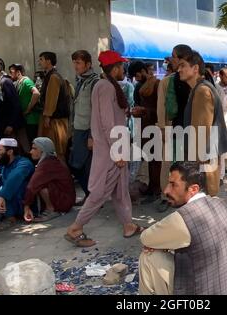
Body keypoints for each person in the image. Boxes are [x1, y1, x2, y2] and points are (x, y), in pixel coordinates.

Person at [65, 51, 144, 247]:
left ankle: (128, 225)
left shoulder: (108, 86)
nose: (123, 69)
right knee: (99, 193)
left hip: (115, 148)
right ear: (115, 67)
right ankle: (76, 228)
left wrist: (128, 112)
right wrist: (117, 152)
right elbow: (107, 123)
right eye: (121, 66)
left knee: (121, 191)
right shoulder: (105, 87)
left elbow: (112, 117)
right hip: (112, 151)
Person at [138, 162, 227, 295]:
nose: (166, 190)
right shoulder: (220, 203)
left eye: (173, 185)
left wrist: (160, 244)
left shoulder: (182, 219)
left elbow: (145, 238)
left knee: (149, 256)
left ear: (193, 189)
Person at [178, 50, 227, 196]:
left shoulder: (202, 91)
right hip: (205, 157)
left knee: (206, 199)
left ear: (195, 68)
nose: (179, 69)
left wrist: (193, 166)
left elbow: (201, 132)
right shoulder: (199, 88)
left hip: (203, 159)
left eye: (183, 65)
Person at [156, 45, 192, 212]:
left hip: (191, 130)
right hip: (172, 128)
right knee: (169, 164)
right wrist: (163, 128)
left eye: (174, 56)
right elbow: (161, 108)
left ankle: (186, 195)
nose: (171, 59)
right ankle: (167, 196)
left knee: (188, 163)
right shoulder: (167, 82)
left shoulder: (194, 81)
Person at [128, 61, 162, 203]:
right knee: (149, 159)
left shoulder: (157, 84)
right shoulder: (139, 86)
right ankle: (151, 187)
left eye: (137, 75)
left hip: (155, 125)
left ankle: (156, 189)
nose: (136, 78)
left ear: (143, 70)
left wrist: (145, 111)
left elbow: (160, 109)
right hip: (144, 126)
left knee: (156, 160)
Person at [68, 50, 99, 198]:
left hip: (88, 130)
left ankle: (92, 197)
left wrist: (92, 135)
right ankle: (90, 195)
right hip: (78, 129)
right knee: (75, 164)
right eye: (74, 62)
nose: (75, 65)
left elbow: (96, 111)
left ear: (88, 64)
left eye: (78, 62)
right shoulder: (80, 80)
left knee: (86, 167)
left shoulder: (95, 82)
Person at [23, 137, 75, 223]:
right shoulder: (51, 160)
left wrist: (26, 206)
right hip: (68, 200)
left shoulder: (47, 164)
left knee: (39, 185)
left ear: (43, 151)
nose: (31, 151)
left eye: (34, 149)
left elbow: (31, 186)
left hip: (65, 202)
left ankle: (52, 210)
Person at [0, 138, 35, 231]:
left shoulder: (24, 163)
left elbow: (15, 177)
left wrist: (2, 196)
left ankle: (10, 217)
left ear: (10, 152)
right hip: (13, 202)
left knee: (15, 186)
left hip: (27, 202)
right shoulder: (4, 164)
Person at [37, 52, 72, 160]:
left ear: (48, 61)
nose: (39, 62)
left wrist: (47, 115)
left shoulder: (53, 77)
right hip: (53, 119)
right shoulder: (50, 76)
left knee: (56, 150)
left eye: (41, 59)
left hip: (55, 121)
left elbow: (51, 98)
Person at [0, 57, 25, 140]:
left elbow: (15, 104)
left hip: (8, 126)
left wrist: (11, 124)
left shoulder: (5, 82)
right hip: (0, 124)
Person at [8, 63, 41, 145]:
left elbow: (36, 93)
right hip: (26, 119)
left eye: (11, 72)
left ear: (18, 72)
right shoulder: (19, 83)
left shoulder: (26, 81)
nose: (10, 75)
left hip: (31, 119)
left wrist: (28, 109)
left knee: (33, 143)